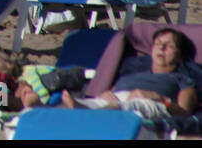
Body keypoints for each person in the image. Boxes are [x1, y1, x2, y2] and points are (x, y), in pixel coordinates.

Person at [62, 28, 200, 120]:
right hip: (115, 100)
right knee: (85, 104)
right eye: (158, 43)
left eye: (169, 46)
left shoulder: (183, 79)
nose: (161, 48)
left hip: (153, 105)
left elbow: (185, 114)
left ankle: (98, 112)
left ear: (179, 57)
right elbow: (109, 93)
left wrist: (158, 98)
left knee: (132, 106)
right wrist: (106, 94)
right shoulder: (131, 73)